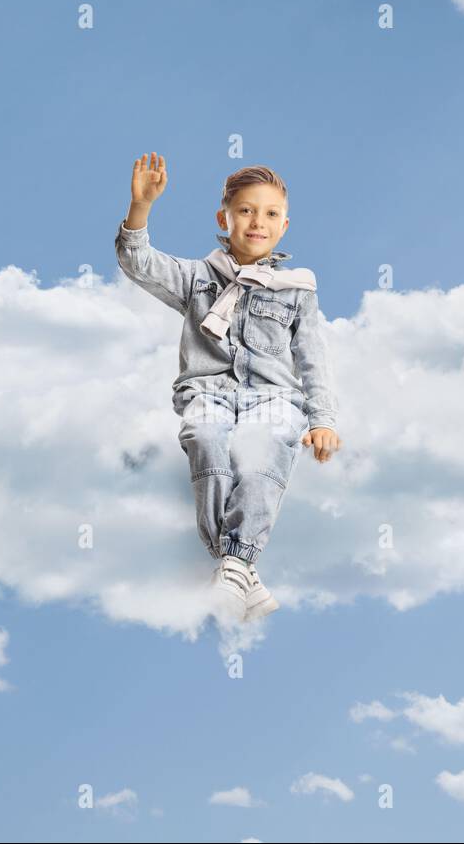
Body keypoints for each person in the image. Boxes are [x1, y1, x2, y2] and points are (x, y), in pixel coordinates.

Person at [114, 152, 341, 621]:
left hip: (273, 399)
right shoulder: (197, 278)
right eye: (246, 210)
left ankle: (234, 565)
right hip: (208, 394)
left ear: (284, 226)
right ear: (225, 218)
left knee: (264, 450)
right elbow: (138, 261)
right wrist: (142, 208)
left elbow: (312, 358)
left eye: (271, 214)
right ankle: (240, 566)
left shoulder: (297, 289)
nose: (258, 221)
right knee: (204, 436)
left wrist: (323, 420)